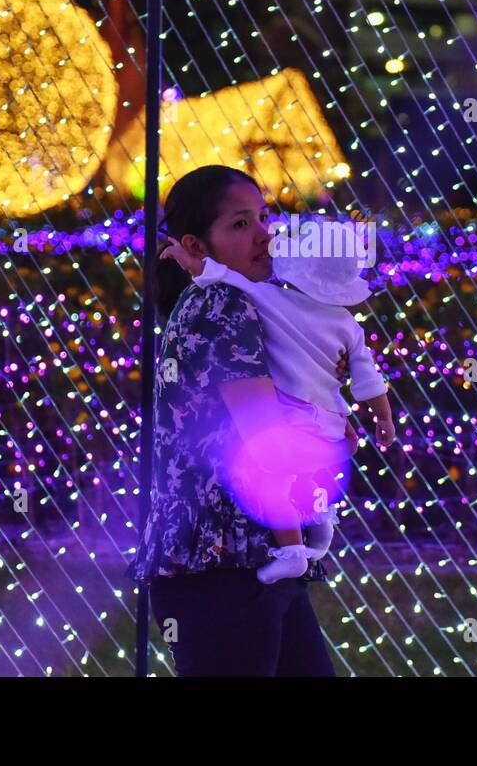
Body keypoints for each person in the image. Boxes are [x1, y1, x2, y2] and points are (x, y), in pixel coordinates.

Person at [126, 164, 342, 676]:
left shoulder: (233, 303)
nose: (264, 233)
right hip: (222, 566)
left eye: (264, 217)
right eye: (241, 224)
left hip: (253, 559)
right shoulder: (220, 307)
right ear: (196, 247)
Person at [161, 215, 396, 582]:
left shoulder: (268, 299)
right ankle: (320, 518)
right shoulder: (348, 324)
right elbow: (368, 379)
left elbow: (225, 278)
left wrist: (190, 263)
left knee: (270, 478)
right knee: (307, 472)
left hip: (293, 415)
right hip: (333, 419)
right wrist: (384, 419)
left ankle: (291, 551)